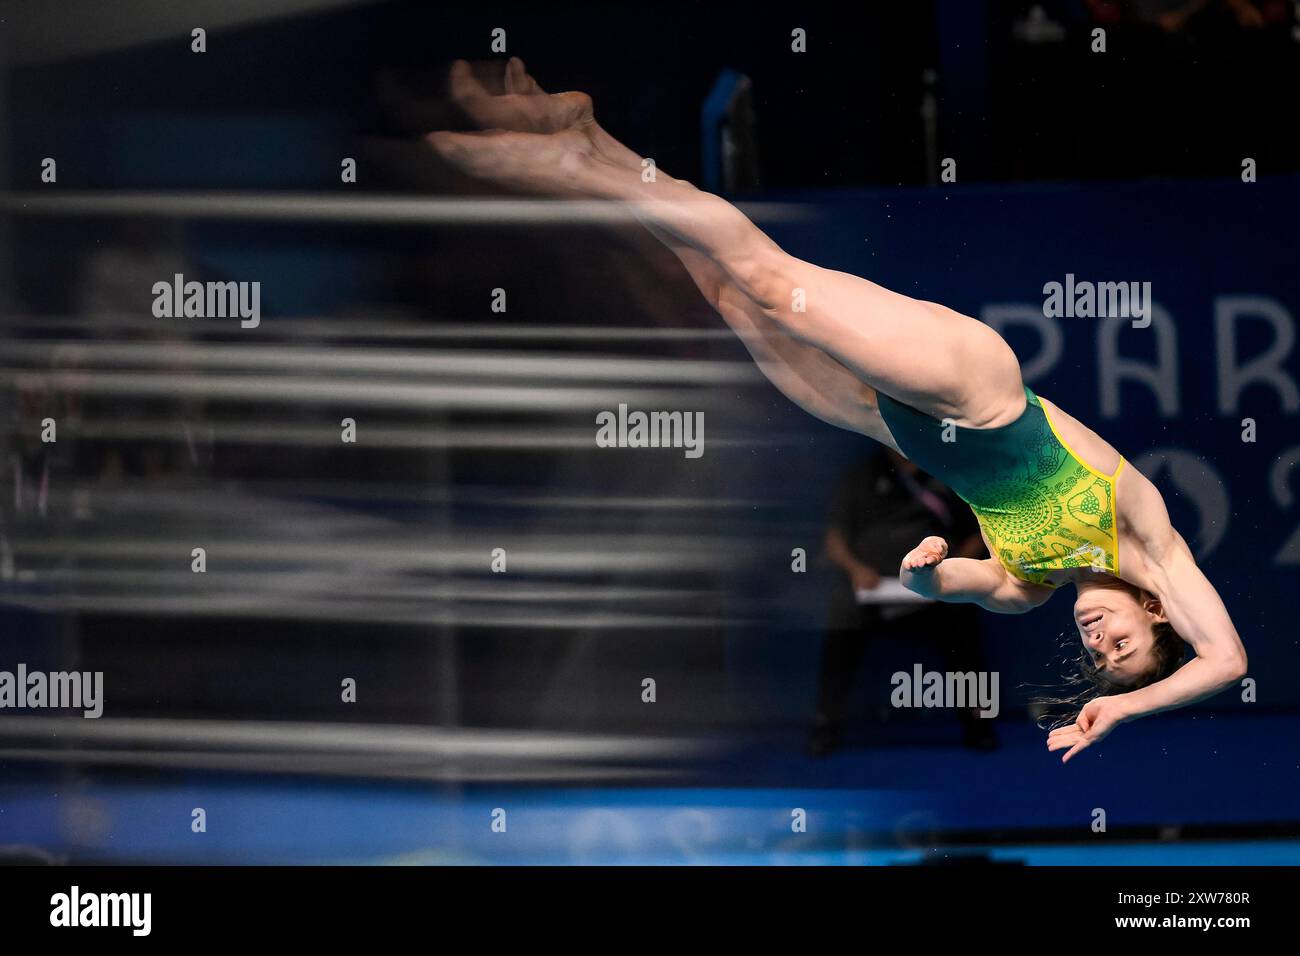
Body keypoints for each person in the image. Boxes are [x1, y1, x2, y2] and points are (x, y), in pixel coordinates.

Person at [427, 58, 1248, 763]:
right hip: (974, 390)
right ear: (1153, 613)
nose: (1102, 644)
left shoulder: (1029, 585)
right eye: (1127, 648)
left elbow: (955, 584)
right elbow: (1227, 661)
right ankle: (576, 167)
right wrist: (1126, 708)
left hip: (885, 420)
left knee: (722, 291)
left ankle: (590, 141)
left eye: (1100, 661)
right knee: (769, 283)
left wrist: (925, 574)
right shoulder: (1150, 548)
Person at [813, 449, 992, 755]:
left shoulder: (945, 472)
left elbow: (979, 533)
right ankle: (825, 723)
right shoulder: (861, 476)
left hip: (937, 588)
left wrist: (953, 572)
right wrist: (856, 570)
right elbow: (834, 538)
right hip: (872, 589)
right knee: (841, 620)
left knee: (963, 625)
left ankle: (978, 722)